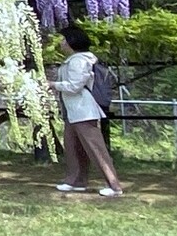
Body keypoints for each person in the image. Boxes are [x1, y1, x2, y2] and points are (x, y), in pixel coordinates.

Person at [50, 25, 123, 197]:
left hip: (84, 110)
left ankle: (114, 185)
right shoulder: (76, 59)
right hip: (73, 111)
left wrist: (53, 85)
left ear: (71, 42)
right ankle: (76, 181)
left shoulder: (79, 60)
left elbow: (75, 86)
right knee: (73, 147)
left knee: (95, 148)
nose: (61, 43)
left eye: (63, 39)